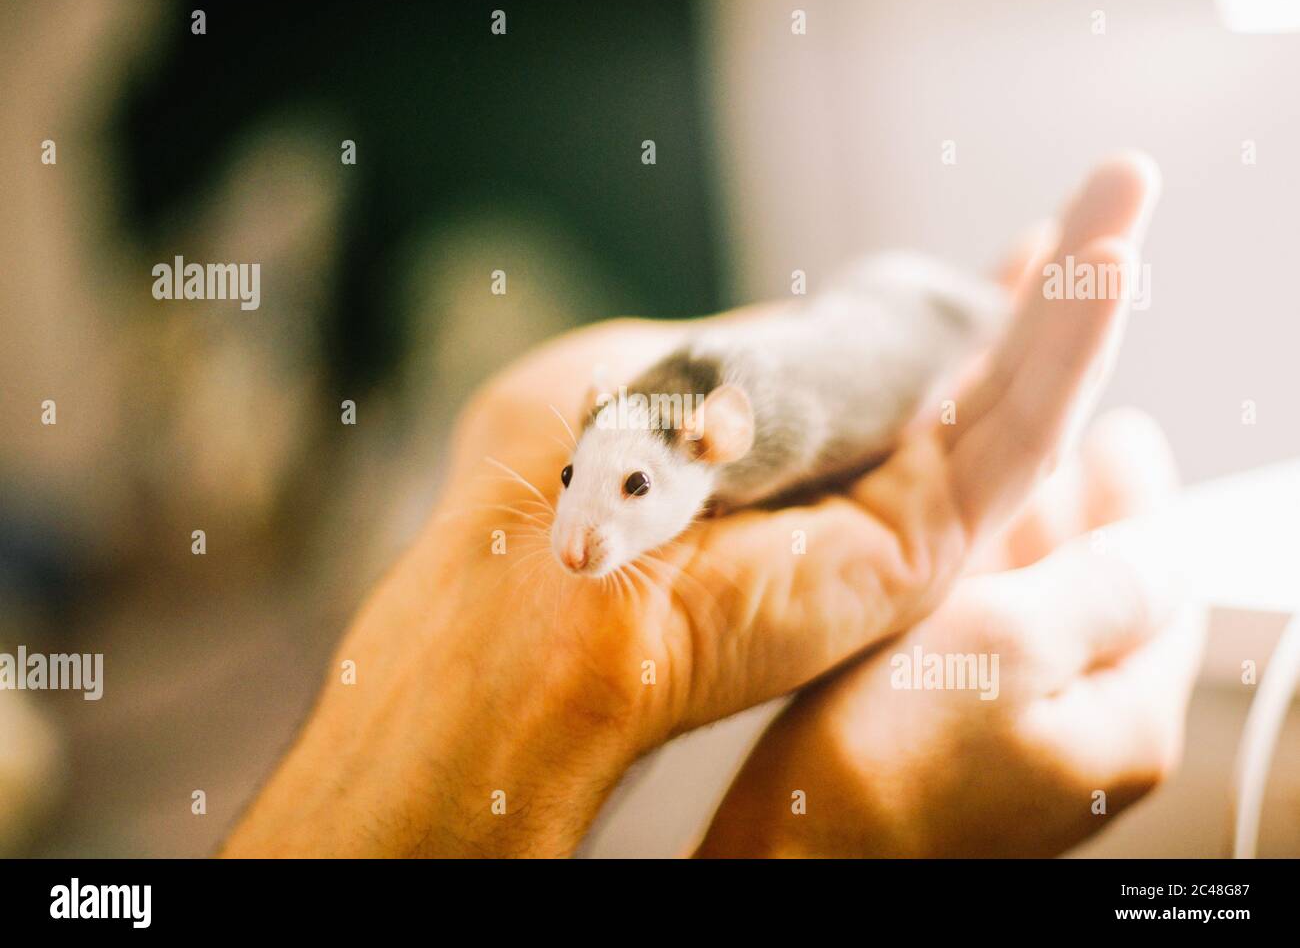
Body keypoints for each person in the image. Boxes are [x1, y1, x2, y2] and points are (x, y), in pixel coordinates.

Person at [221, 154, 1205, 858]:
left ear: (713, 447)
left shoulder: (735, 429)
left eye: (634, 489)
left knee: (966, 331)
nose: (576, 537)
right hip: (866, 312)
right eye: (574, 479)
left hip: (899, 327)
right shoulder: (644, 415)